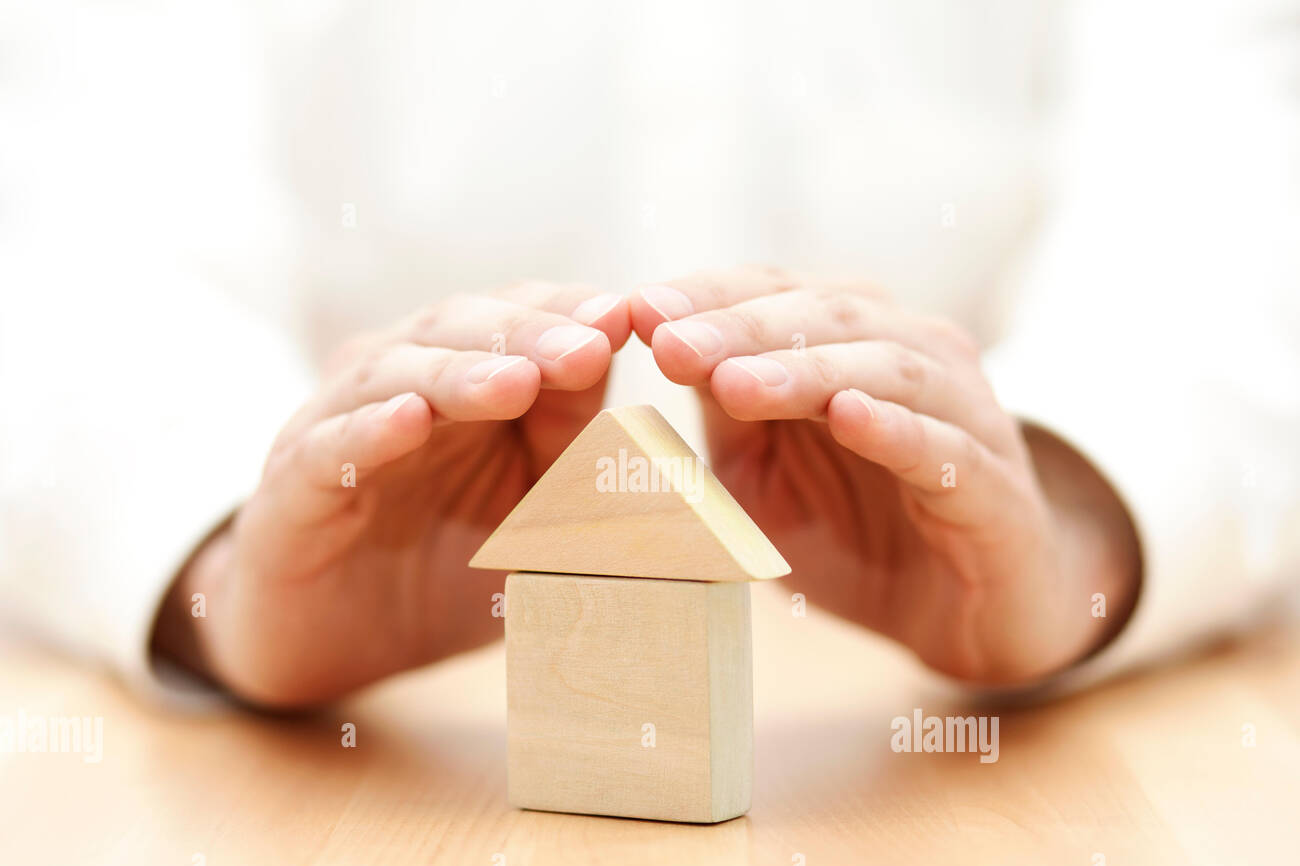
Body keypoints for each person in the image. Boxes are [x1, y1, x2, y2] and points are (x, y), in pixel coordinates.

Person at [2, 0, 1297, 707]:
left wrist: (1074, 524)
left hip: (1004, 706)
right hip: (364, 727)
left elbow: (1236, 195)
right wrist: (220, 566)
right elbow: (72, 240)